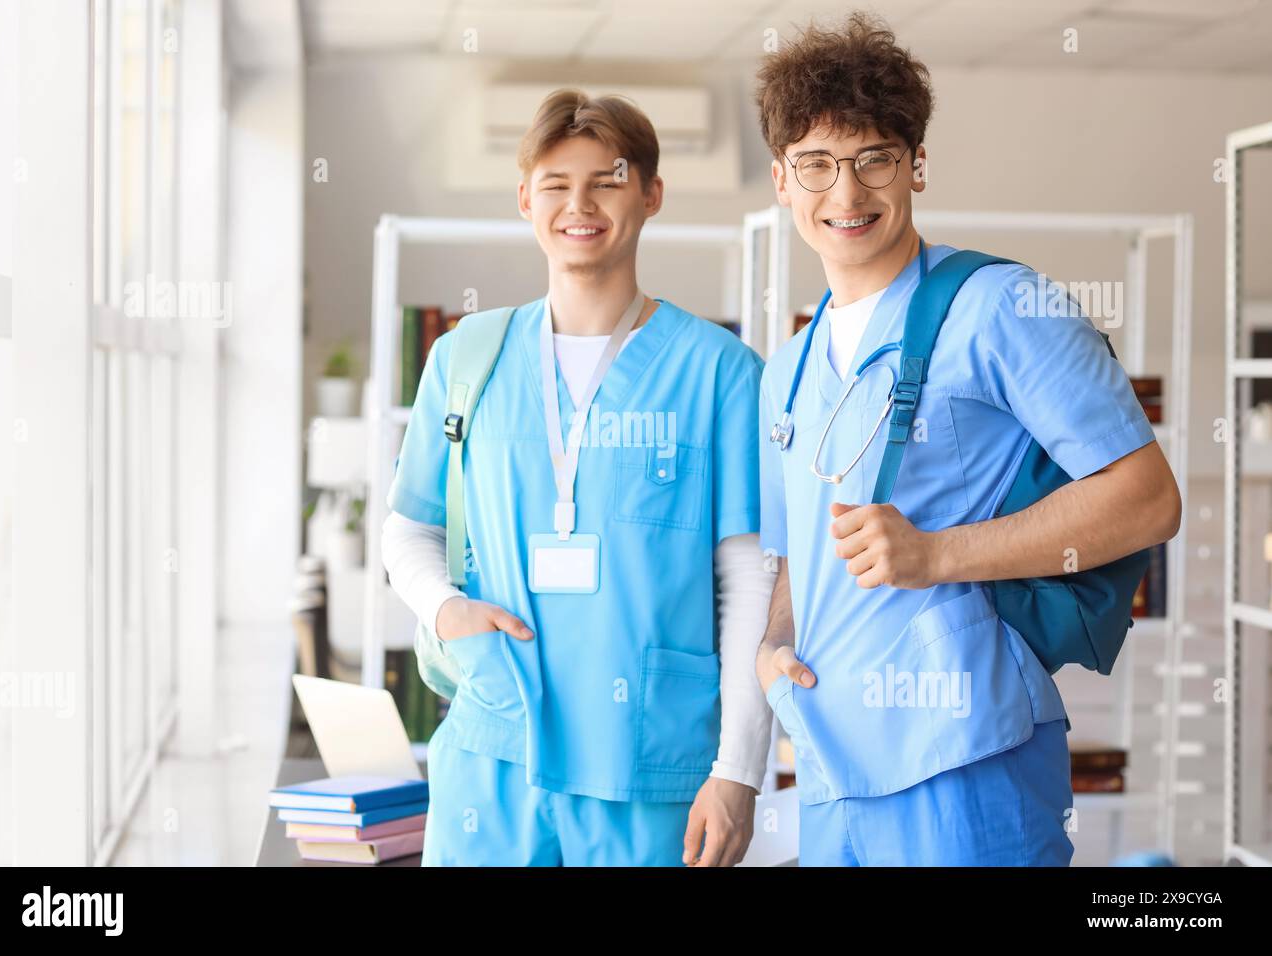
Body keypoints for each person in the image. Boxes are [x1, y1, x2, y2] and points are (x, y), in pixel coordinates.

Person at [752, 15, 1182, 866]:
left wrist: (936, 554)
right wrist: (773, 644)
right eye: (817, 164)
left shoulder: (1001, 306)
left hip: (965, 761)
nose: (846, 194)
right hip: (832, 769)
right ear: (782, 180)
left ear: (916, 164)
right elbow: (801, 548)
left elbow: (1149, 500)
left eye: (875, 158)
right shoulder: (788, 371)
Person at [382, 90, 774, 866]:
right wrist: (444, 607)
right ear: (526, 199)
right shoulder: (466, 358)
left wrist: (739, 769)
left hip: (649, 765)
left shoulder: (720, 372)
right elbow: (409, 526)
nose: (580, 205)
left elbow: (748, 580)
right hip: (494, 747)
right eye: (556, 184)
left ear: (651, 193)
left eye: (607, 181)